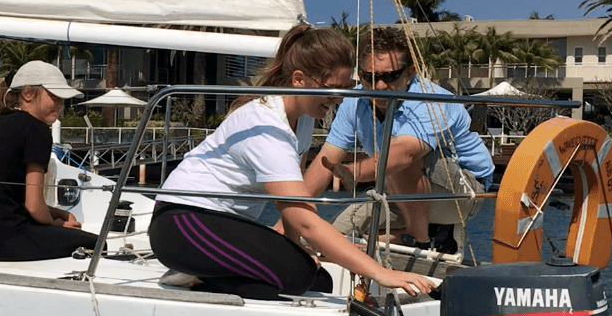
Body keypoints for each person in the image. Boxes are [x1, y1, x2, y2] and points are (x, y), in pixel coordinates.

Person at [148, 24, 437, 301]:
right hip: (182, 223)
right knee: (295, 276)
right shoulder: (266, 126)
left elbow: (294, 200)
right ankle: (198, 275)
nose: (339, 99)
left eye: (345, 88)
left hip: (222, 222)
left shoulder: (302, 119)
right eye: (332, 89)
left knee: (319, 281)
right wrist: (380, 273)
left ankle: (204, 274)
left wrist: (294, 247)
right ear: (299, 79)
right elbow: (303, 219)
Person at [303, 25, 495, 251]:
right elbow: (327, 158)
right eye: (369, 77)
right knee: (332, 239)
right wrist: (293, 217)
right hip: (399, 190)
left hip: (464, 193)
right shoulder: (353, 104)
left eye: (391, 76)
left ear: (410, 72)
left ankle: (419, 238)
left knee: (397, 156)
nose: (380, 86)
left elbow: (405, 154)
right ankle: (417, 233)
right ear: (360, 74)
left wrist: (354, 172)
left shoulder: (431, 99)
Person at [0, 61, 99, 261]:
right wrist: (58, 225)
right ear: (28, 94)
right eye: (55, 96)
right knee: (97, 243)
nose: (61, 104)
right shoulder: (37, 130)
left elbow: (13, 198)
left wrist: (57, 213)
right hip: (4, 239)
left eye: (63, 99)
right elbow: (33, 205)